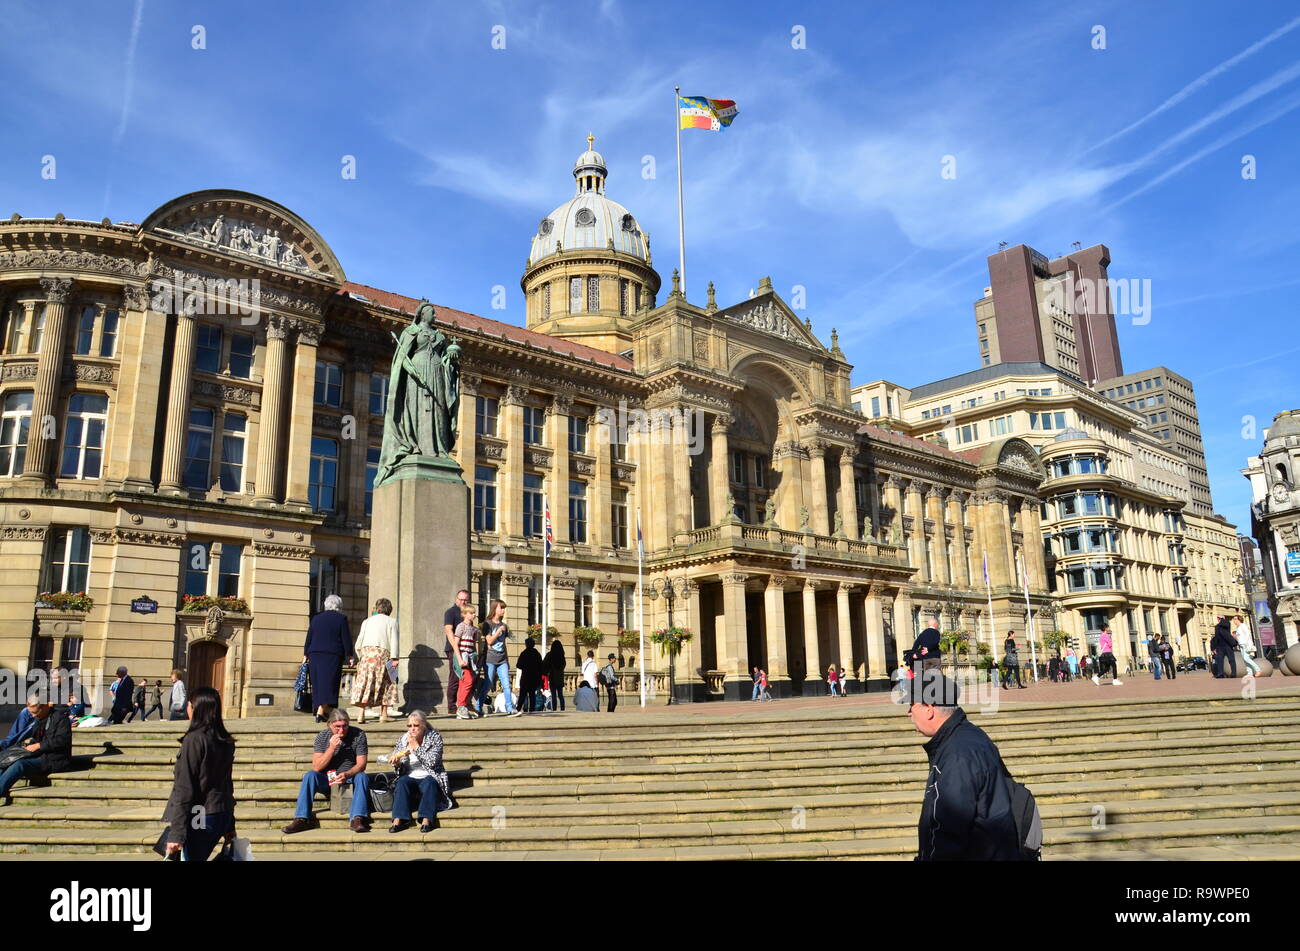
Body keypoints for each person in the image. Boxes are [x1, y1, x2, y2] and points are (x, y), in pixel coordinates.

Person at [898, 671, 1023, 861]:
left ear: (929, 709)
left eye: (911, 705)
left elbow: (948, 830)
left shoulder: (958, 753)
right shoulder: (966, 738)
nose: (909, 712)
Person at [161, 685, 237, 860]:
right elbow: (227, 784)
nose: (187, 708)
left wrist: (177, 833)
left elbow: (185, 787)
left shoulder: (194, 739)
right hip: (221, 812)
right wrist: (230, 823)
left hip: (200, 813)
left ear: (196, 709)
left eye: (190, 705)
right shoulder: (224, 740)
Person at [282, 709, 372, 834]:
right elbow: (317, 767)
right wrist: (332, 748)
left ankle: (357, 818)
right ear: (329, 724)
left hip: (350, 776)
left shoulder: (358, 734)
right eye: (337, 727)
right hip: (328, 778)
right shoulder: (322, 736)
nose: (341, 730)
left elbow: (361, 764)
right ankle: (301, 819)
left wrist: (347, 774)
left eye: (345, 726)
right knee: (310, 775)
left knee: (362, 776)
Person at [387, 711, 455, 833]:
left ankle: (426, 820)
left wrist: (416, 747)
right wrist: (397, 764)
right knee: (402, 782)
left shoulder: (434, 737)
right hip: (411, 775)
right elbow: (400, 771)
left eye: (416, 725)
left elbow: (432, 763)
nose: (412, 729)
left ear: (423, 725)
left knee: (430, 782)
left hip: (431, 774)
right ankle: (398, 820)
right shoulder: (403, 740)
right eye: (409, 726)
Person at [0, 691, 72, 804]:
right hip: (39, 755)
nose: (33, 716)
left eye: (35, 712)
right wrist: (28, 746)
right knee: (6, 760)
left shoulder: (61, 718)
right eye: (31, 713)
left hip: (55, 759)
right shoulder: (39, 719)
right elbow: (36, 738)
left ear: (44, 707)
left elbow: (63, 741)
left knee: (20, 765)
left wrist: (39, 745)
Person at [302, 594, 355, 723]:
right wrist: (350, 655)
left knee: (318, 684)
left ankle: (324, 711)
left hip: (315, 654)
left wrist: (305, 654)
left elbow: (309, 637)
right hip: (332, 654)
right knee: (330, 683)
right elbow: (346, 638)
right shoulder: (341, 619)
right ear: (339, 606)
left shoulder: (316, 618)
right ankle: (322, 711)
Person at [352, 597, 400, 723]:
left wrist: (361, 656)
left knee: (365, 683)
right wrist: (395, 658)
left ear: (377, 608)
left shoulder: (367, 621)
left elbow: (358, 642)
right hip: (382, 654)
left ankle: (361, 713)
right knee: (387, 683)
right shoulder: (392, 621)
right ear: (389, 609)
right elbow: (394, 640)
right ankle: (383, 714)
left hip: (366, 655)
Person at [476, 599, 517, 717]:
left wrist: (507, 660)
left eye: (504, 608)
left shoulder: (504, 625)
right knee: (488, 684)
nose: (504, 610)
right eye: (501, 608)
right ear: (495, 609)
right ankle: (478, 707)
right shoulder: (487, 624)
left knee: (506, 684)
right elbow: (489, 640)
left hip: (502, 659)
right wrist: (498, 630)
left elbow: (503, 644)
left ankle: (510, 708)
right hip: (490, 659)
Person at [442, 588, 472, 715]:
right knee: (455, 677)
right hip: (453, 649)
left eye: (466, 600)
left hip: (466, 649)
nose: (463, 602)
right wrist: (455, 648)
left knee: (468, 678)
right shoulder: (451, 612)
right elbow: (448, 630)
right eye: (461, 599)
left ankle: (464, 703)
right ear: (456, 599)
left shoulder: (468, 613)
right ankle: (452, 706)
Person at [452, 604, 480, 719]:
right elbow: (455, 643)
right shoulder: (461, 626)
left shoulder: (473, 629)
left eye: (474, 613)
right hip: (462, 657)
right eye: (472, 613)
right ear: (465, 614)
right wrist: (459, 659)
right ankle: (461, 706)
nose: (474, 615)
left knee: (465, 682)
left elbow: (473, 645)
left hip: (470, 658)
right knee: (467, 680)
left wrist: (475, 657)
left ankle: (462, 708)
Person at [516, 637, 545, 713]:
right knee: (532, 695)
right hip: (534, 677)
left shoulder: (524, 653)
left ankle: (519, 708)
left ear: (526, 644)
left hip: (525, 677)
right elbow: (541, 666)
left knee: (523, 695)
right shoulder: (537, 654)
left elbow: (518, 665)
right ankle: (532, 709)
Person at [545, 638, 567, 711]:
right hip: (560, 676)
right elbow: (564, 665)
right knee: (560, 695)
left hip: (552, 676)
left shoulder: (550, 655)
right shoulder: (562, 656)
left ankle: (554, 709)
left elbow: (545, 664)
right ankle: (562, 708)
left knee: (554, 695)